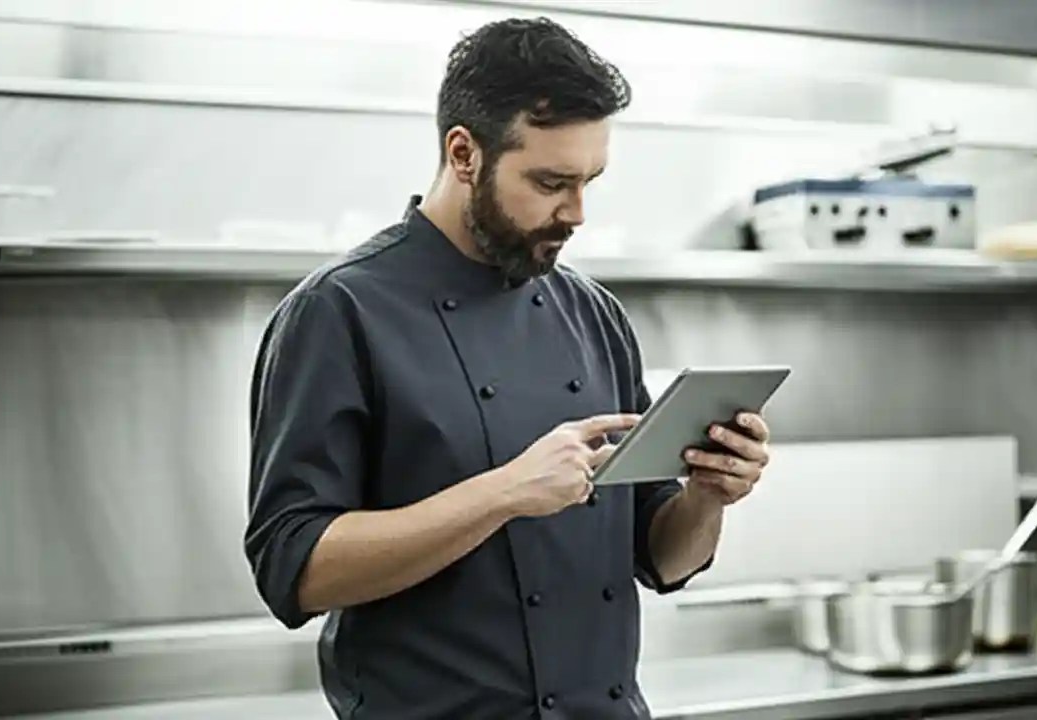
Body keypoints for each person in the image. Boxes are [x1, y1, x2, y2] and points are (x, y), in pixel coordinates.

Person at [245, 16, 772, 720]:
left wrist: (709, 496)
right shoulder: (338, 312)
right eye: (551, 182)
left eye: (589, 181)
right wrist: (503, 493)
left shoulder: (594, 313)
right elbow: (294, 568)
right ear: (464, 153)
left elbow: (659, 556)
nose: (577, 212)